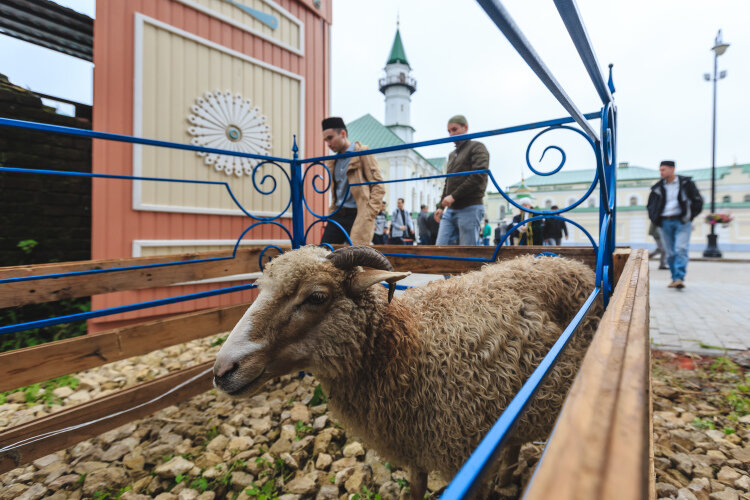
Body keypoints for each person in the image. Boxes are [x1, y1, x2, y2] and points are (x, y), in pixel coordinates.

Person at [321, 117, 385, 245]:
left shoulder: (362, 152)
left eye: (330, 138)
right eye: (325, 140)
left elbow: (378, 186)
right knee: (324, 254)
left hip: (358, 215)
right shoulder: (333, 161)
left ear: (343, 134)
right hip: (337, 214)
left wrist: (369, 214)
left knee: (356, 258)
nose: (328, 143)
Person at [647, 160, 703, 289]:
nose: (661, 172)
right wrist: (655, 219)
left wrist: (689, 217)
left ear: (672, 169)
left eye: (664, 169)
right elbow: (651, 205)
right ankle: (674, 277)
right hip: (664, 222)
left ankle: (679, 277)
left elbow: (697, 201)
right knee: (670, 252)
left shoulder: (686, 183)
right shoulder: (657, 187)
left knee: (681, 249)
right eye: (660, 170)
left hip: (682, 221)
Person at [435, 115, 489, 246]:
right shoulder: (452, 155)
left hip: (470, 207)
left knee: (467, 250)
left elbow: (479, 175)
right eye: (449, 131)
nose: (451, 134)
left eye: (454, 129)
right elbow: (448, 182)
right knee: (439, 247)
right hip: (451, 209)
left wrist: (453, 196)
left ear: (465, 127)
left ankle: (471, 267)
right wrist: (441, 207)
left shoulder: (477, 147)